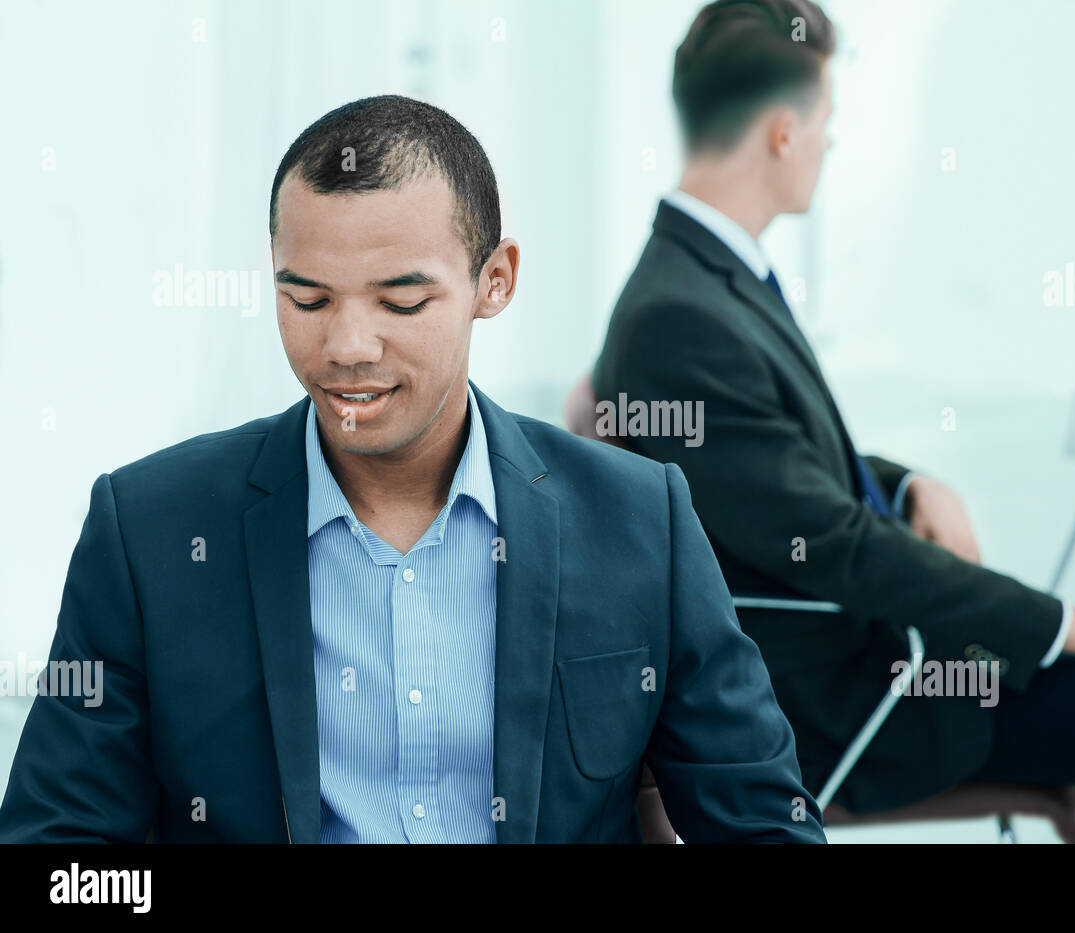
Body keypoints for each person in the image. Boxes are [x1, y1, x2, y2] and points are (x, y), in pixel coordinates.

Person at [0, 95, 824, 844]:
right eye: (308, 299)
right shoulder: (150, 529)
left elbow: (765, 828)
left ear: (492, 281)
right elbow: (61, 851)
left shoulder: (641, 522)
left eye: (400, 301)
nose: (347, 348)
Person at [593, 0, 1075, 843]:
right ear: (781, 133)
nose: (831, 143)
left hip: (882, 653)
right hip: (855, 697)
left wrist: (913, 480)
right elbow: (836, 542)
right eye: (827, 121)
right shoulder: (680, 314)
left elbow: (774, 462)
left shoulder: (702, 279)